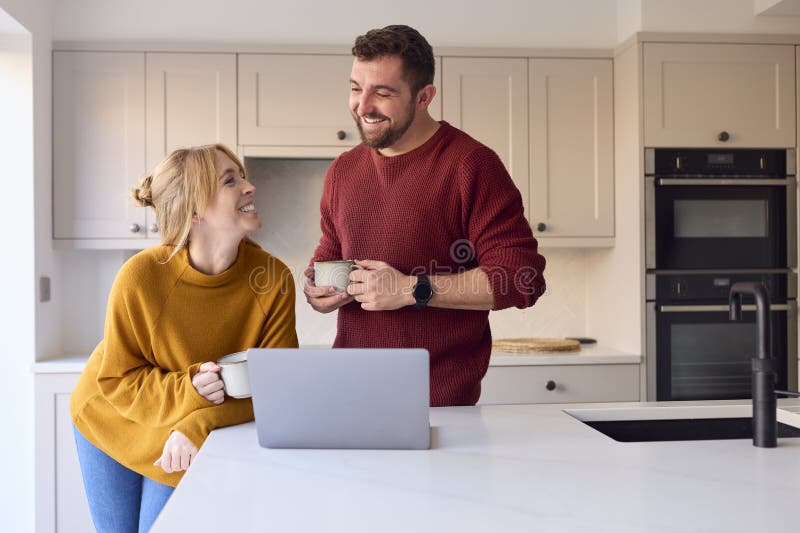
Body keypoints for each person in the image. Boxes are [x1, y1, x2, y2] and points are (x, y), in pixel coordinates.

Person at [304, 25, 546, 407]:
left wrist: (408, 290)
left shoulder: (471, 164)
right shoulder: (342, 171)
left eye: (382, 93)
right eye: (355, 88)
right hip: (349, 398)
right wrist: (318, 291)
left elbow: (521, 277)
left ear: (424, 97)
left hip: (440, 406)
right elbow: (327, 257)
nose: (362, 106)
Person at [70, 143, 298, 532]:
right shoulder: (141, 276)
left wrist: (197, 424)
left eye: (242, 175)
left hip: (184, 430)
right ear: (194, 211)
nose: (249, 186)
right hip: (111, 417)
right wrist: (189, 388)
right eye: (231, 180)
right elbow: (117, 380)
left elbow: (276, 390)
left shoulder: (273, 278)